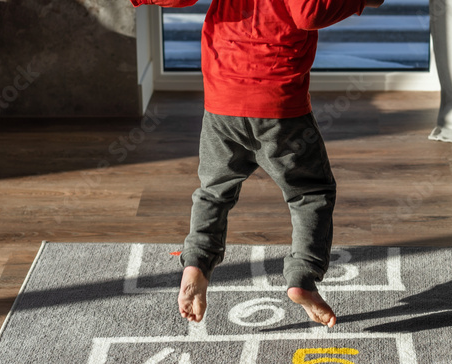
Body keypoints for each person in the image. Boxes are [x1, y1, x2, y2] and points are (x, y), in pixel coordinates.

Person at [127, 0, 384, 327]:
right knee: (310, 193)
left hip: (222, 101)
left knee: (214, 192)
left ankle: (196, 265)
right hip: (278, 106)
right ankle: (302, 276)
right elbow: (308, 13)